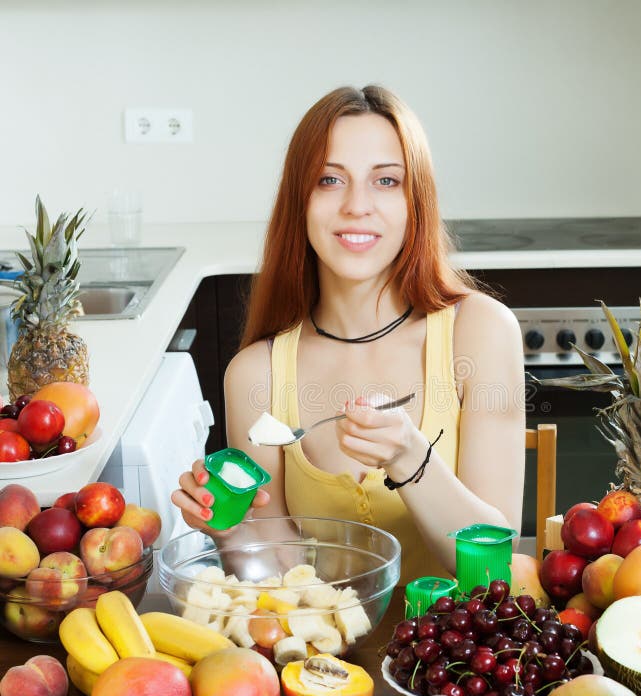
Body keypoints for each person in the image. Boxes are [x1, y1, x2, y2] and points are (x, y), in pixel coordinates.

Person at [172, 85, 525, 583]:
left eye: (386, 181)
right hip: (326, 656)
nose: (357, 205)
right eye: (330, 179)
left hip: (460, 655)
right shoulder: (255, 374)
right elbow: (279, 578)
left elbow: (497, 572)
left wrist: (409, 457)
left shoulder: (481, 333)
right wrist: (232, 533)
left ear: (414, 202)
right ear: (301, 200)